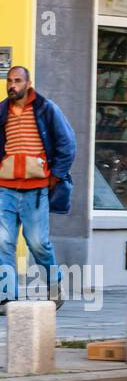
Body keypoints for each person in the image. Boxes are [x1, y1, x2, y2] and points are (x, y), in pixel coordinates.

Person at [0, 66, 76, 307]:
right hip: (5, 189)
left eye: (18, 81)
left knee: (37, 243)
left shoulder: (46, 109)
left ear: (28, 83)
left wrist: (55, 176)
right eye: (9, 81)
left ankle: (55, 285)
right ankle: (7, 296)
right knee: (3, 242)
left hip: (35, 189)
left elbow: (67, 143)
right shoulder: (2, 111)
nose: (12, 85)